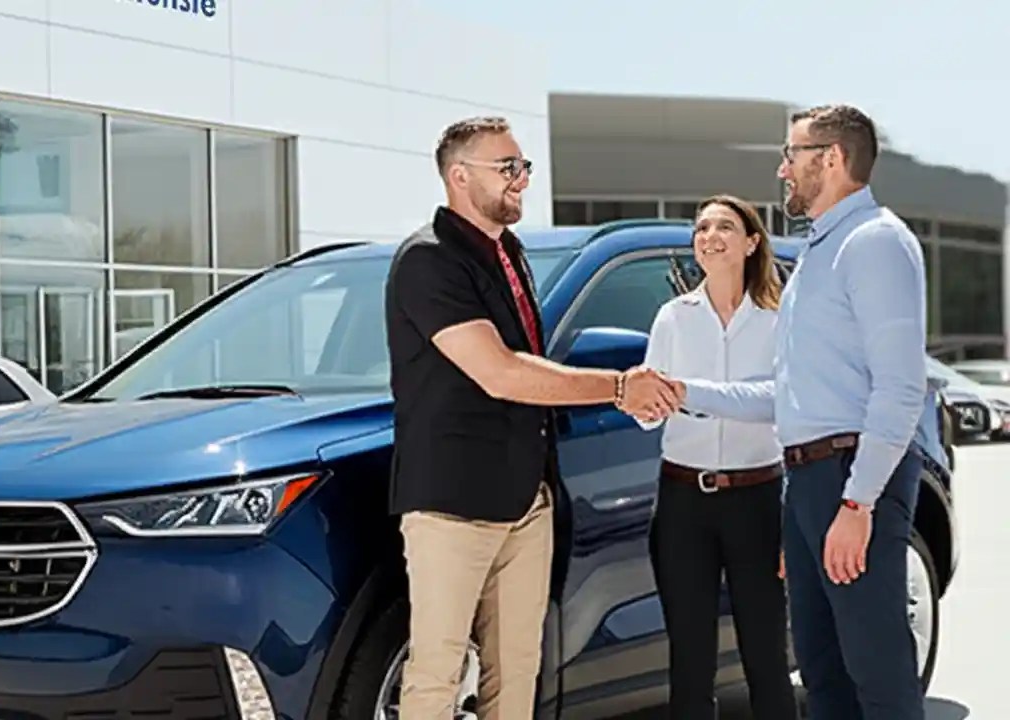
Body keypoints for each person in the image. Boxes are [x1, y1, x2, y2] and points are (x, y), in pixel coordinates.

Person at [384, 115, 680, 719]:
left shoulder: (508, 253)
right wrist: (620, 387)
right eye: (508, 167)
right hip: (453, 507)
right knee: (437, 676)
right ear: (459, 176)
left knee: (517, 671)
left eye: (524, 166)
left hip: (526, 501)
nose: (522, 178)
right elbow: (500, 371)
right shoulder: (429, 261)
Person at [665, 105, 929, 720]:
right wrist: (682, 392)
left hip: (850, 478)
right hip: (811, 483)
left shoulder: (876, 243)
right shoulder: (819, 254)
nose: (784, 169)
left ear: (831, 159)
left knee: (878, 672)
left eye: (793, 154)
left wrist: (857, 503)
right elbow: (784, 396)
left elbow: (900, 387)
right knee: (823, 672)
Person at [625, 195, 798, 720]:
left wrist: (689, 395)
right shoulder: (673, 318)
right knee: (689, 660)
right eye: (701, 228)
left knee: (766, 656)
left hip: (757, 500)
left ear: (751, 242)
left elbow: (778, 402)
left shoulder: (779, 319)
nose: (709, 236)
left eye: (725, 226)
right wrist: (649, 399)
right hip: (683, 505)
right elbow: (647, 412)